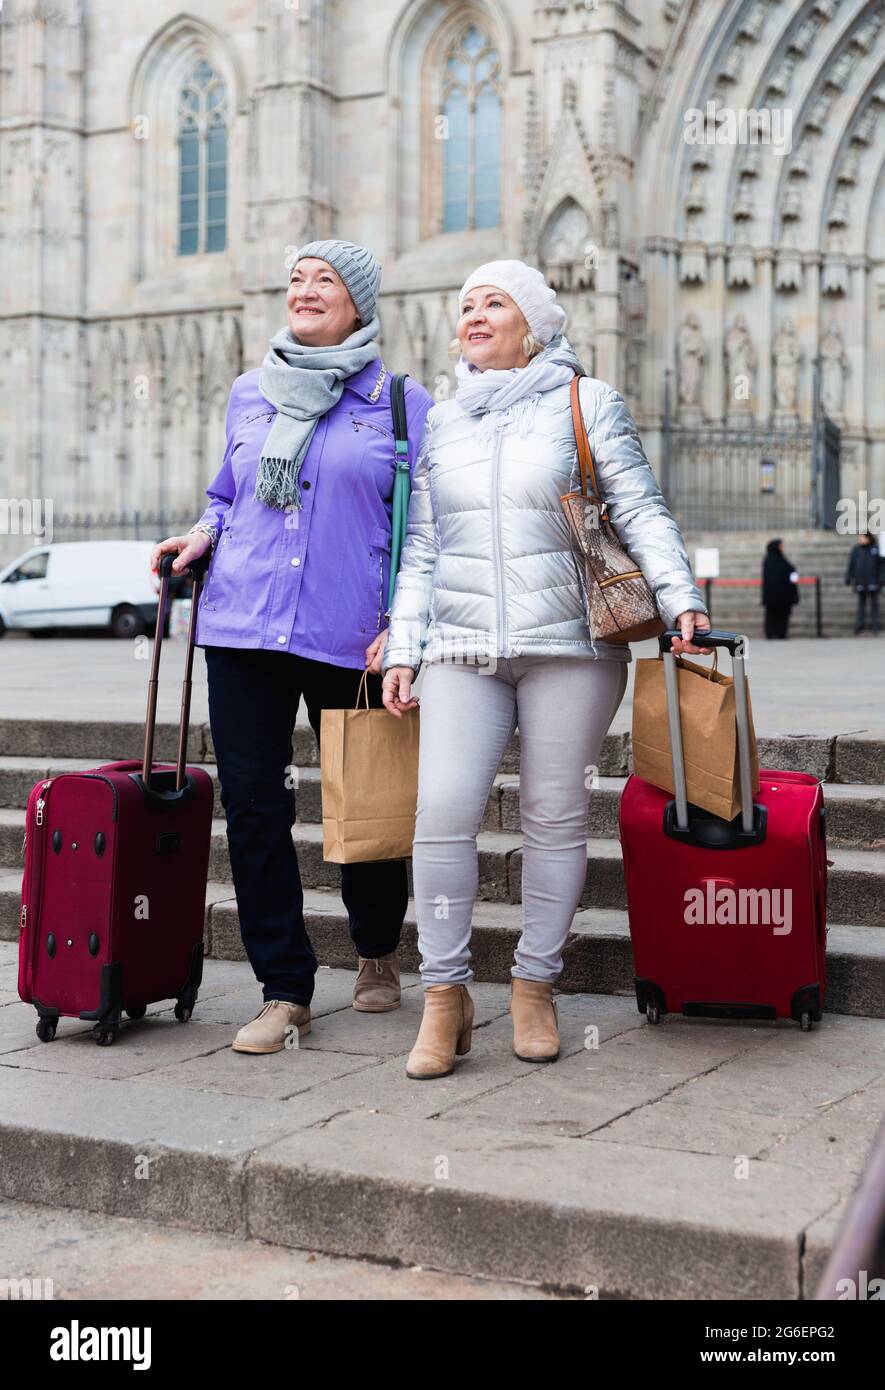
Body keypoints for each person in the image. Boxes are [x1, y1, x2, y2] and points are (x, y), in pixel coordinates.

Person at [380, 260, 711, 1080]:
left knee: (554, 816)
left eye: (494, 301)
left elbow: (638, 508)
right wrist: (403, 641)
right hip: (462, 648)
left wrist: (681, 602)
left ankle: (534, 986)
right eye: (464, 304)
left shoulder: (585, 402)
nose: (474, 314)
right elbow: (423, 545)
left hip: (570, 644)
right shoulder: (445, 420)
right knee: (443, 813)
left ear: (535, 324)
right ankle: (444, 997)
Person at [150, 240, 433, 1055]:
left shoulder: (400, 402)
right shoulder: (249, 392)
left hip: (351, 635)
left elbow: (422, 530)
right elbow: (228, 496)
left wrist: (403, 628)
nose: (305, 291)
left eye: (326, 281)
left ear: (359, 303)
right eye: (296, 281)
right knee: (255, 808)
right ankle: (284, 989)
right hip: (243, 625)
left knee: (364, 798)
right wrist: (201, 535)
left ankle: (376, 947)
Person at [845, 532, 883, 635]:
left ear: (868, 538)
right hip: (860, 581)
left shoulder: (876, 549)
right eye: (859, 537)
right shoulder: (856, 550)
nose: (860, 539)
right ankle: (860, 625)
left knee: (874, 605)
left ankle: (875, 625)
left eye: (862, 537)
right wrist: (848, 577)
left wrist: (881, 579)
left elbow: (881, 566)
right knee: (861, 605)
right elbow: (851, 565)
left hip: (873, 581)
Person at [761, 538, 799, 639]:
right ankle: (771, 633)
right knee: (772, 615)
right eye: (781, 546)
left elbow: (790, 571)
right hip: (773, 595)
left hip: (783, 595)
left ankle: (781, 632)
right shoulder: (769, 561)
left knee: (783, 615)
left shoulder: (782, 560)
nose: (782, 548)